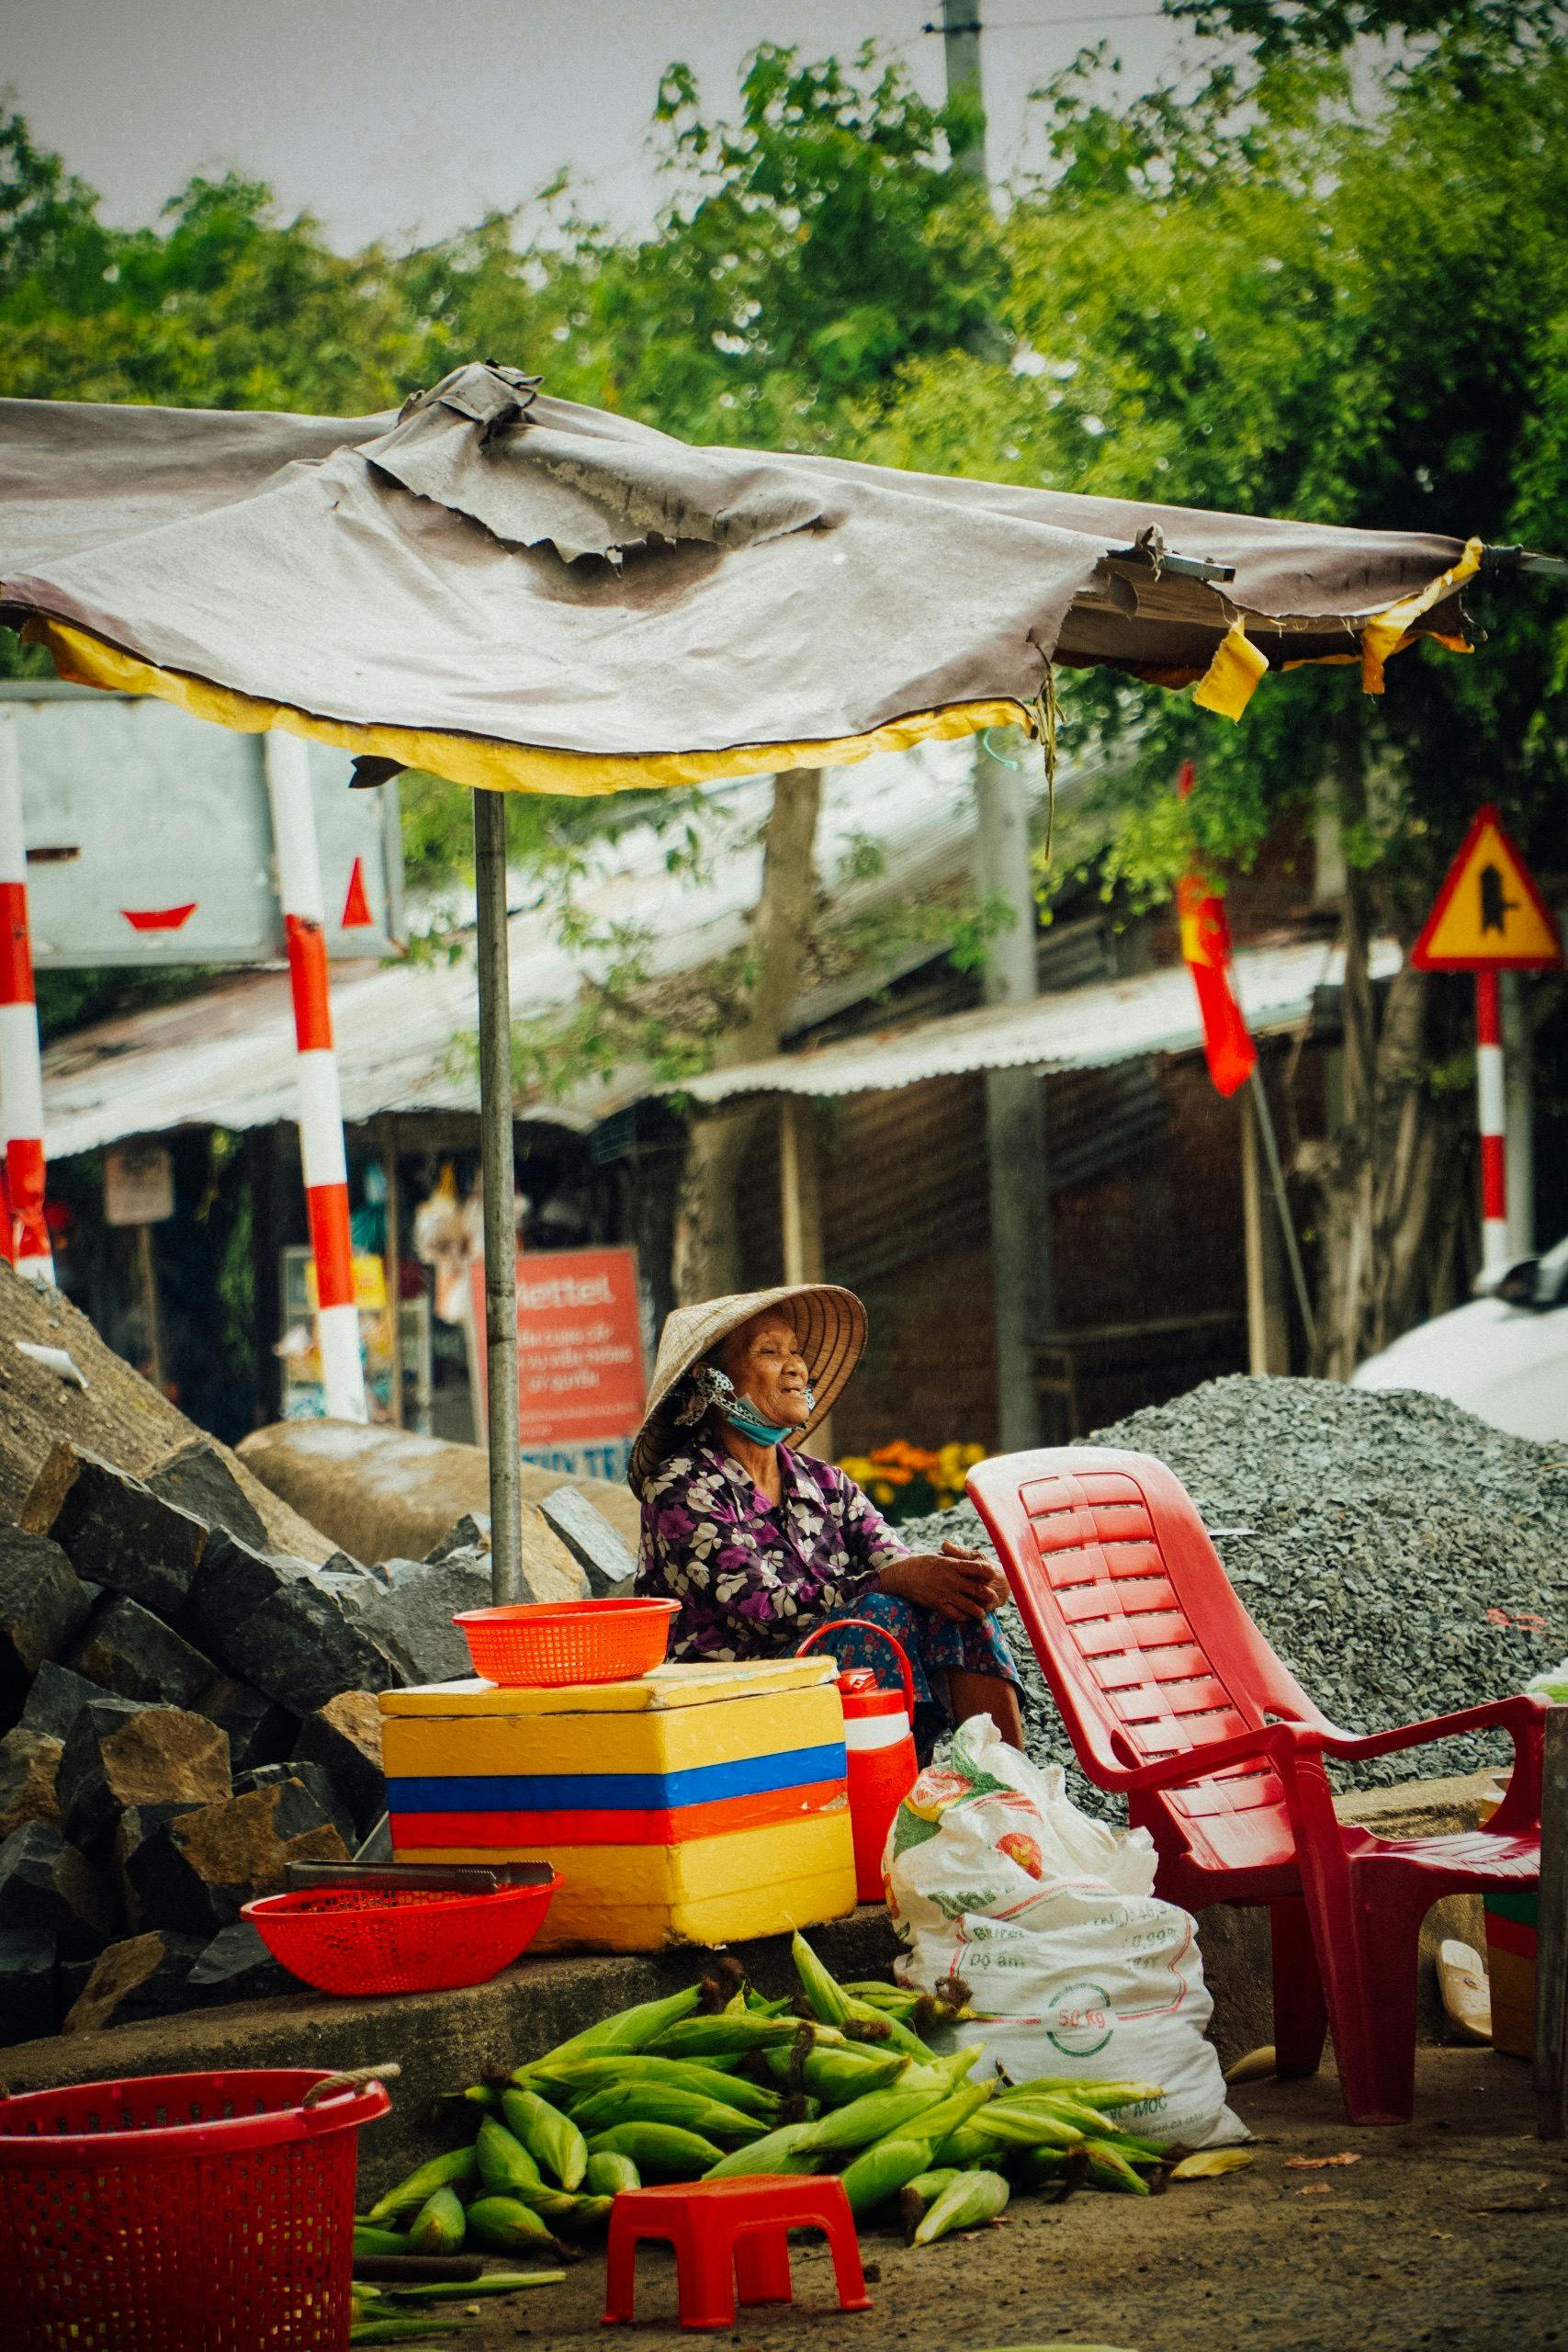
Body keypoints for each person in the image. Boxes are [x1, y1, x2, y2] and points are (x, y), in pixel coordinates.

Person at [630, 1283, 1025, 1751]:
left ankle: (1009, 1790)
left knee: (954, 1605)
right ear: (711, 1378)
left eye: (795, 1351)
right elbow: (764, 1612)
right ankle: (894, 1794)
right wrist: (895, 1582)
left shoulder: (824, 1482)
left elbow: (892, 1563)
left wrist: (964, 1579)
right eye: (770, 1352)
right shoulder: (680, 1488)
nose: (797, 1365)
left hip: (826, 1671)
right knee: (877, 1615)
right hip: (730, 1700)